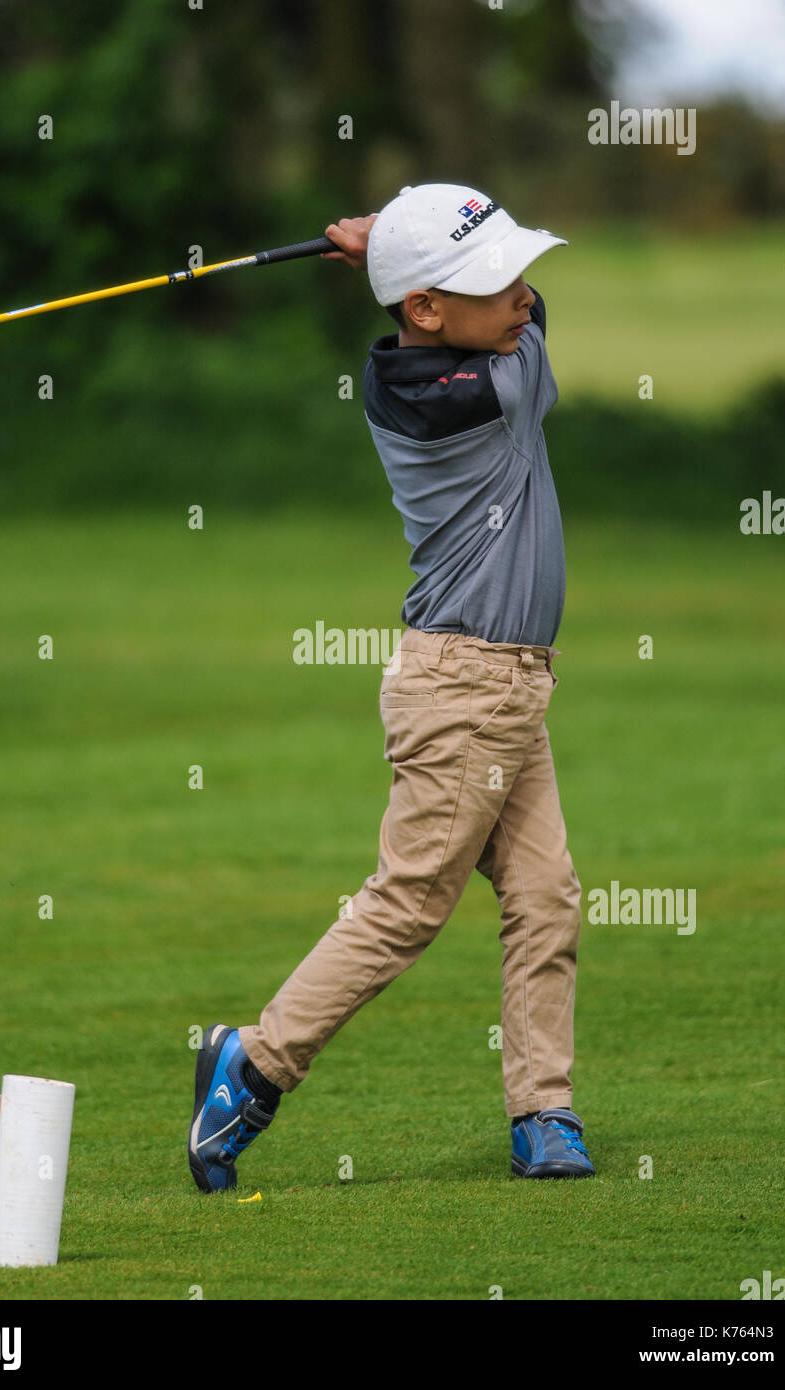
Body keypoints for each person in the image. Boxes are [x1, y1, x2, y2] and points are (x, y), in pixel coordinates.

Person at [187, 183, 594, 1192]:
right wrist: (393, 252)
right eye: (494, 280)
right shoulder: (495, 388)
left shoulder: (402, 364)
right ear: (425, 309)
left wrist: (400, 256)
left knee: (546, 897)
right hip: (468, 692)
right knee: (410, 903)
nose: (523, 293)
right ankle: (256, 1060)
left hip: (496, 686)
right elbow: (533, 327)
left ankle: (544, 1108)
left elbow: (490, 313)